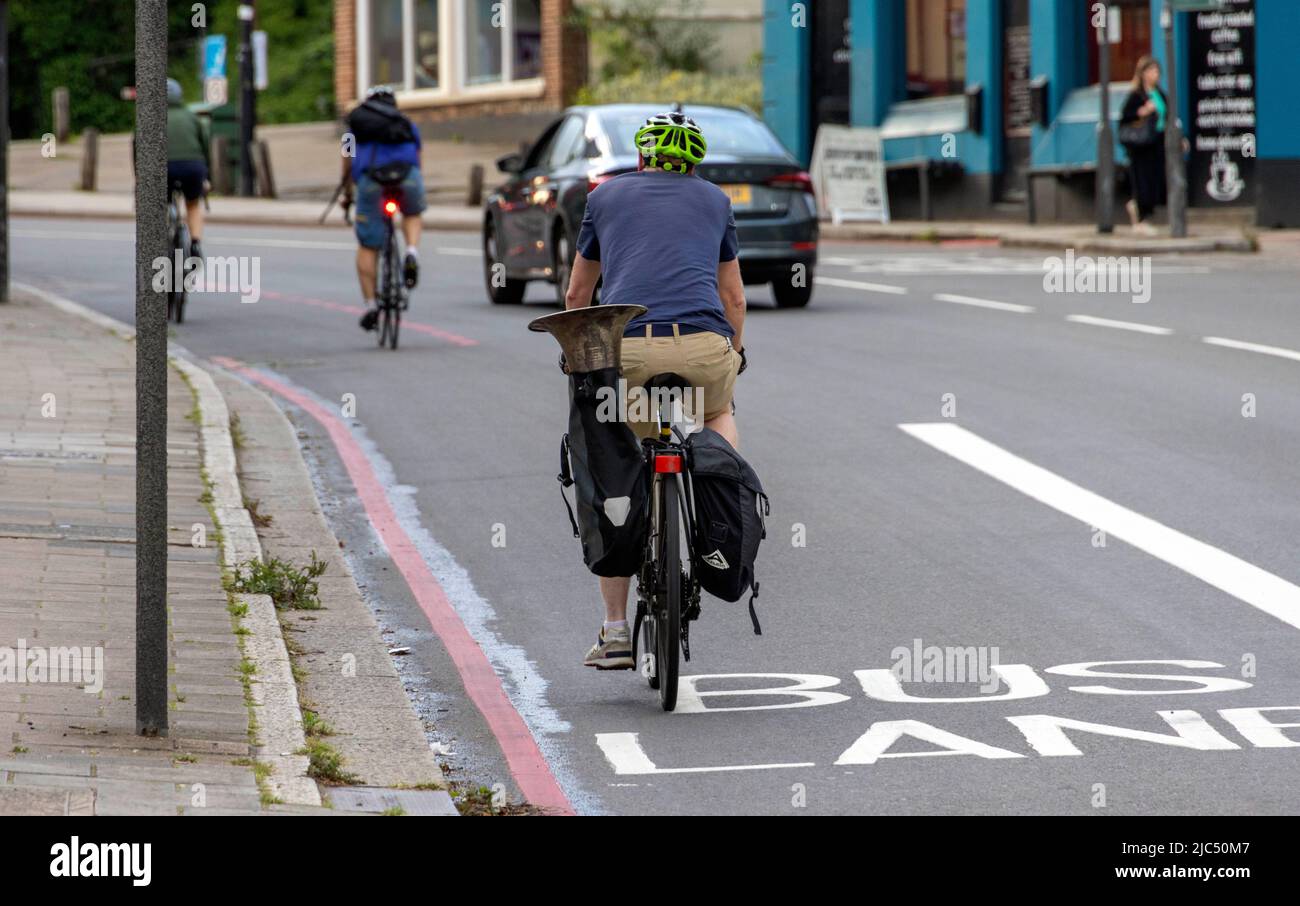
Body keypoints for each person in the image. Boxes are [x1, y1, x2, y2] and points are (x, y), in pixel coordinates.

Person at [563, 111, 747, 670]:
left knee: (618, 462)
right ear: (694, 164)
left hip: (629, 350)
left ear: (641, 158)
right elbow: (733, 298)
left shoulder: (604, 197)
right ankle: (722, 500)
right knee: (716, 412)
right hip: (702, 350)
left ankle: (616, 631)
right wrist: (733, 354)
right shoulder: (715, 201)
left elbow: (577, 295)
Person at [341, 86, 426, 331]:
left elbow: (346, 162)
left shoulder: (352, 130)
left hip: (371, 182)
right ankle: (411, 251)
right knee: (411, 213)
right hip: (407, 177)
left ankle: (370, 306)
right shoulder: (408, 124)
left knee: (368, 246)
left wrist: (347, 195)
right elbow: (418, 159)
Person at [1120, 56, 1168, 234]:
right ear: (1143, 73)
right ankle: (1140, 219)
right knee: (1142, 180)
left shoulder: (1160, 94)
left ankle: (1141, 211)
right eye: (1152, 71)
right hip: (1140, 146)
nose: (1155, 74)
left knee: (1156, 180)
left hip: (1157, 143)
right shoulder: (1136, 95)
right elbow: (1125, 118)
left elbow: (1168, 117)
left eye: (1157, 71)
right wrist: (1142, 111)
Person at [165, 78, 209, 259]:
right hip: (193, 166)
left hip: (164, 168)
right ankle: (196, 244)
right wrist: (207, 177)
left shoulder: (149, 117)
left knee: (159, 203)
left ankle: (160, 240)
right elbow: (205, 146)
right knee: (193, 203)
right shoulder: (192, 116)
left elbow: (137, 148)